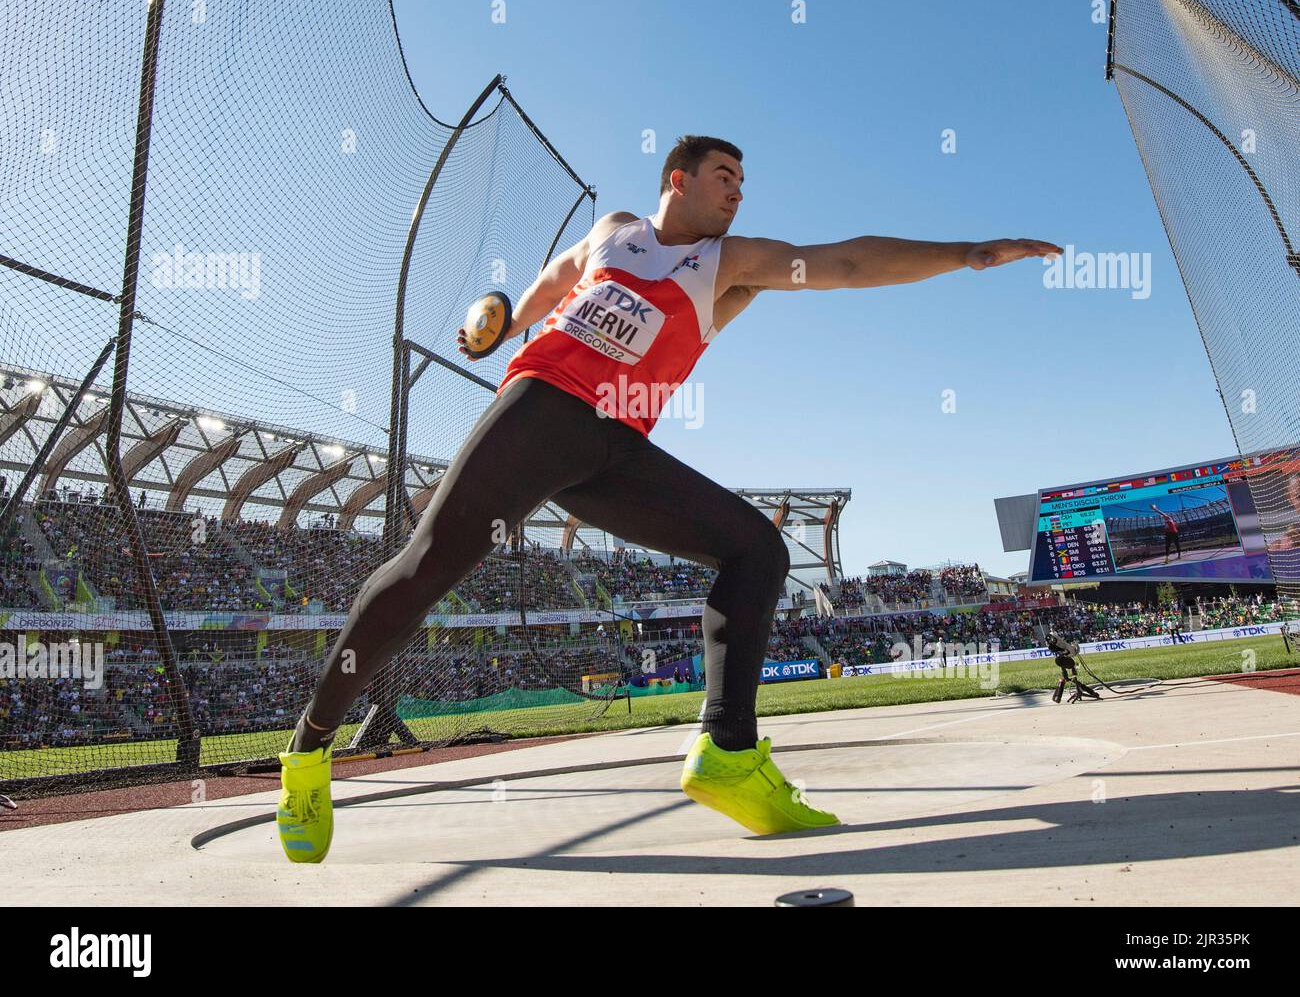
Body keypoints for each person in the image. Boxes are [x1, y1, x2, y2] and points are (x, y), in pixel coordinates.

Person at [276, 135, 1061, 863]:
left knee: (757, 549)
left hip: (615, 447)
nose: (738, 193)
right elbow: (561, 274)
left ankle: (727, 753)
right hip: (544, 405)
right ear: (677, 179)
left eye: (745, 184)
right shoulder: (617, 229)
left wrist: (967, 253)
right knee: (430, 567)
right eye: (726, 177)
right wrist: (515, 320)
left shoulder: (731, 262)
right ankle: (309, 751)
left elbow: (846, 264)